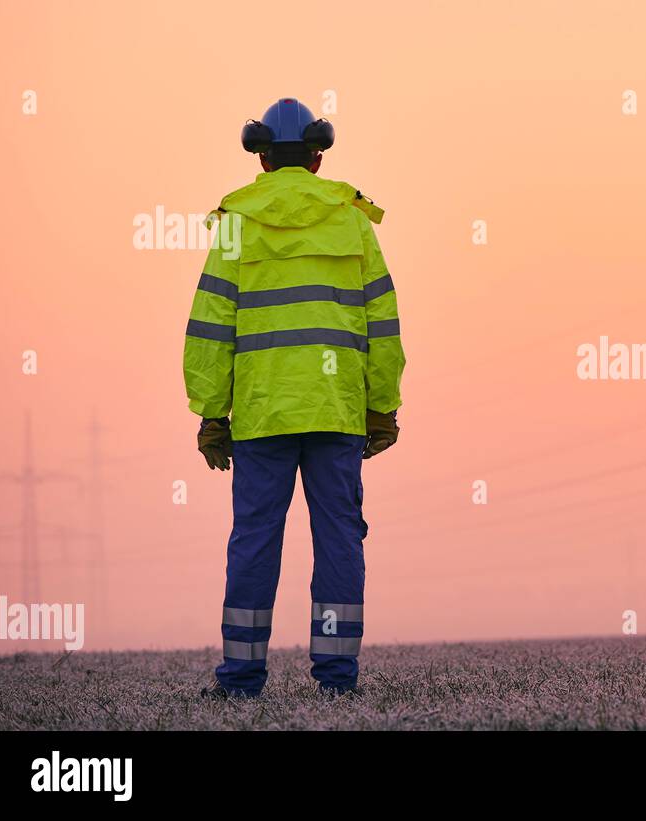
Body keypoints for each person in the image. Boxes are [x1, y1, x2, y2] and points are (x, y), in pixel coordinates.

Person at [183, 98, 405, 697]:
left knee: (254, 538)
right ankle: (337, 678)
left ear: (260, 158)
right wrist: (381, 404)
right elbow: (381, 322)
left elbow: (210, 324)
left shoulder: (237, 223)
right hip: (335, 410)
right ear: (317, 155)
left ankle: (240, 679)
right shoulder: (352, 219)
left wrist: (211, 412)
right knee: (338, 536)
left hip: (260, 414)